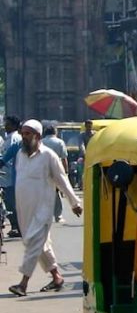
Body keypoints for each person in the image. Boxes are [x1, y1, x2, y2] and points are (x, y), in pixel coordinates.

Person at [8, 119, 82, 297]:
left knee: (34, 242)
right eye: (23, 133)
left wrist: (75, 203)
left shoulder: (49, 156)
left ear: (37, 136)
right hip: (24, 209)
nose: (24, 137)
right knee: (39, 244)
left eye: (28, 134)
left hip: (43, 209)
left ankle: (23, 283)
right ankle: (57, 277)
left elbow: (62, 179)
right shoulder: (20, 155)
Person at [41, 124, 69, 223]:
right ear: (55, 132)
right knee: (57, 192)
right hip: (57, 169)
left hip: (43, 170)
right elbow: (64, 158)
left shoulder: (41, 142)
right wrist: (66, 172)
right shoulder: (60, 142)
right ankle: (58, 215)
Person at [0, 115, 22, 236]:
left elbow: (8, 158)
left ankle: (16, 227)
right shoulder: (8, 138)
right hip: (5, 176)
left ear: (14, 125)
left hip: (8, 176)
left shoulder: (14, 138)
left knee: (11, 203)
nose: (5, 126)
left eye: (7, 124)